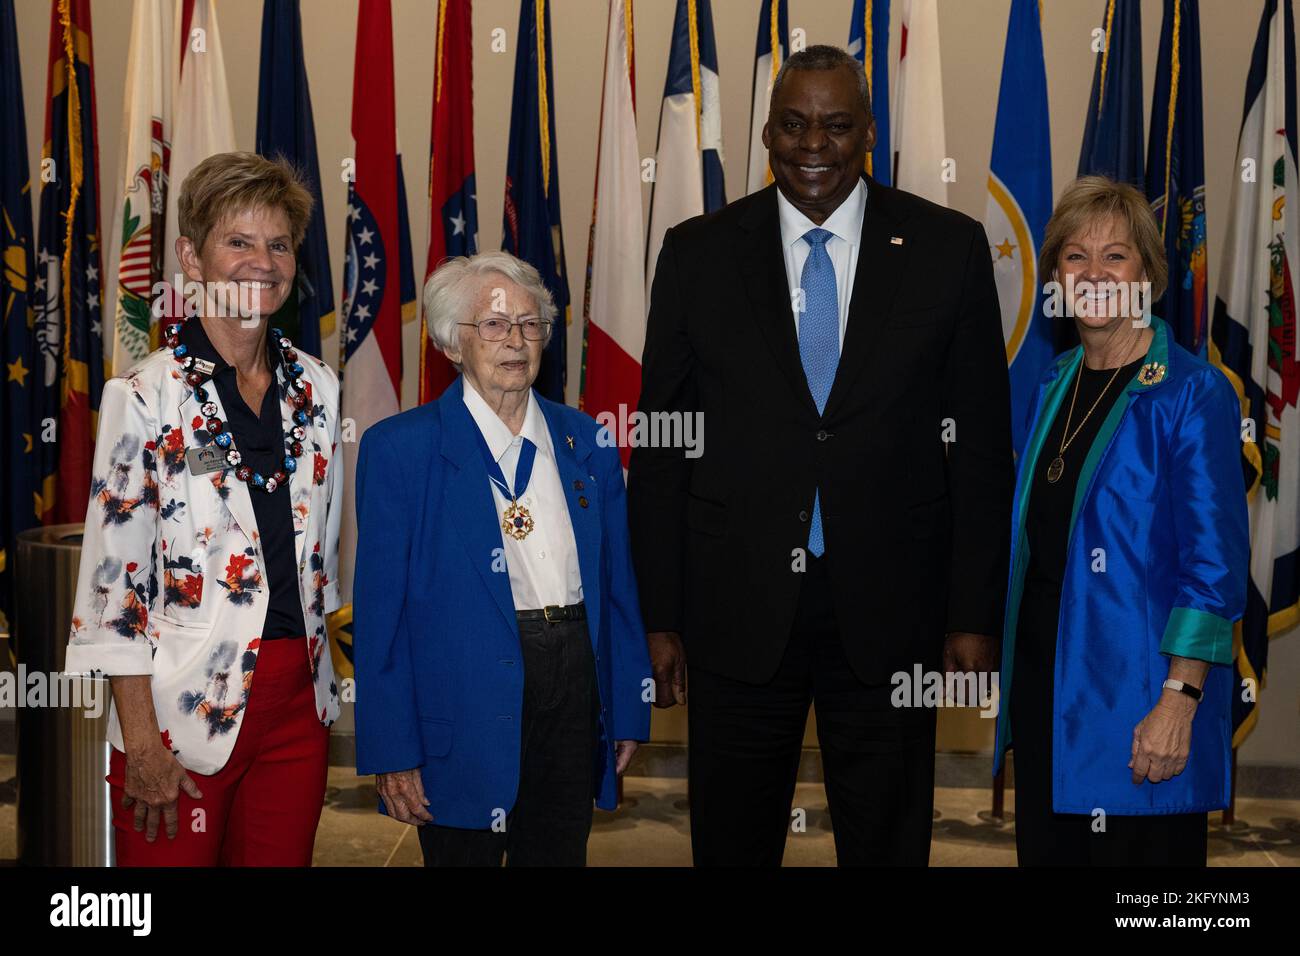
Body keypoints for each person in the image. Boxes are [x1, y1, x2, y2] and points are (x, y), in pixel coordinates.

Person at [627, 44, 1014, 866]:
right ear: (766, 132)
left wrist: (973, 616)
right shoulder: (697, 253)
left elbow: (980, 450)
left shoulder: (947, 249)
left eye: (837, 127)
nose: (814, 145)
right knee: (731, 842)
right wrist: (657, 615)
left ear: (868, 133)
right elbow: (661, 446)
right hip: (734, 610)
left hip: (893, 610)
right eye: (794, 125)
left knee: (887, 843)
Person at [64, 151, 344, 866]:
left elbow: (318, 558)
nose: (262, 261)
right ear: (192, 257)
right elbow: (114, 588)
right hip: (179, 707)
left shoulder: (318, 389)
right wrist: (143, 741)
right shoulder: (145, 395)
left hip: (295, 709)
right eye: (238, 242)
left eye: (278, 244)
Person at [353, 251, 651, 867]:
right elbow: (381, 618)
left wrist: (627, 705)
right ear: (451, 344)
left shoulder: (588, 443)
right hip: (459, 704)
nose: (515, 340)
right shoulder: (400, 451)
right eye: (492, 325)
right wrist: (390, 749)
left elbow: (618, 588)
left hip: (571, 692)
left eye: (529, 323)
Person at [993, 175, 1249, 866]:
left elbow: (1215, 571)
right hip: (1048, 693)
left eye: (1116, 256)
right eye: (1076, 256)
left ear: (1148, 274)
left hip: (1141, 707)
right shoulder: (1055, 383)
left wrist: (1179, 701)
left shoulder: (1192, 393)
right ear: (1054, 275)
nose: (1094, 273)